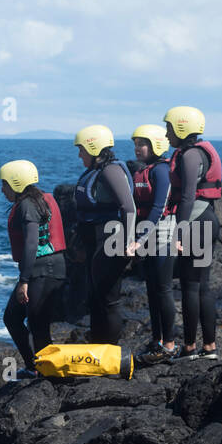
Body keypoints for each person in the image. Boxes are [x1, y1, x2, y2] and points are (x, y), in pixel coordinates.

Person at [163, 105, 222, 360]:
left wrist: (179, 232)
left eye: (169, 129)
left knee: (189, 286)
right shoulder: (198, 152)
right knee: (203, 287)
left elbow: (186, 197)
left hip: (195, 223)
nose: (166, 135)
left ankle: (189, 348)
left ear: (181, 128)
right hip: (207, 220)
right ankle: (209, 347)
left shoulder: (188, 156)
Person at [0, 160, 67, 378]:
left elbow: (31, 243)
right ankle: (35, 367)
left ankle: (47, 375)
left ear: (17, 183)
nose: (2, 189)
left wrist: (24, 280)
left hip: (43, 269)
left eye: (5, 185)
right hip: (45, 267)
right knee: (13, 317)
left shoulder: (28, 205)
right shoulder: (36, 199)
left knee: (38, 324)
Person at [72, 125, 137, 344]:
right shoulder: (98, 170)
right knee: (96, 296)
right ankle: (98, 345)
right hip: (97, 240)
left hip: (111, 239)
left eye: (81, 149)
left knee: (109, 299)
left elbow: (129, 207)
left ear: (93, 147)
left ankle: (110, 350)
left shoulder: (111, 171)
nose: (80, 154)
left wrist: (128, 243)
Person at [131, 124, 178, 365]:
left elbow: (159, 209)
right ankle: (157, 340)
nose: (138, 148)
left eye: (143, 143)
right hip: (146, 234)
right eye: (136, 143)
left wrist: (139, 240)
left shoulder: (161, 171)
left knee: (163, 289)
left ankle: (169, 345)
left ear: (156, 144)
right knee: (151, 290)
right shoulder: (143, 171)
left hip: (162, 234)